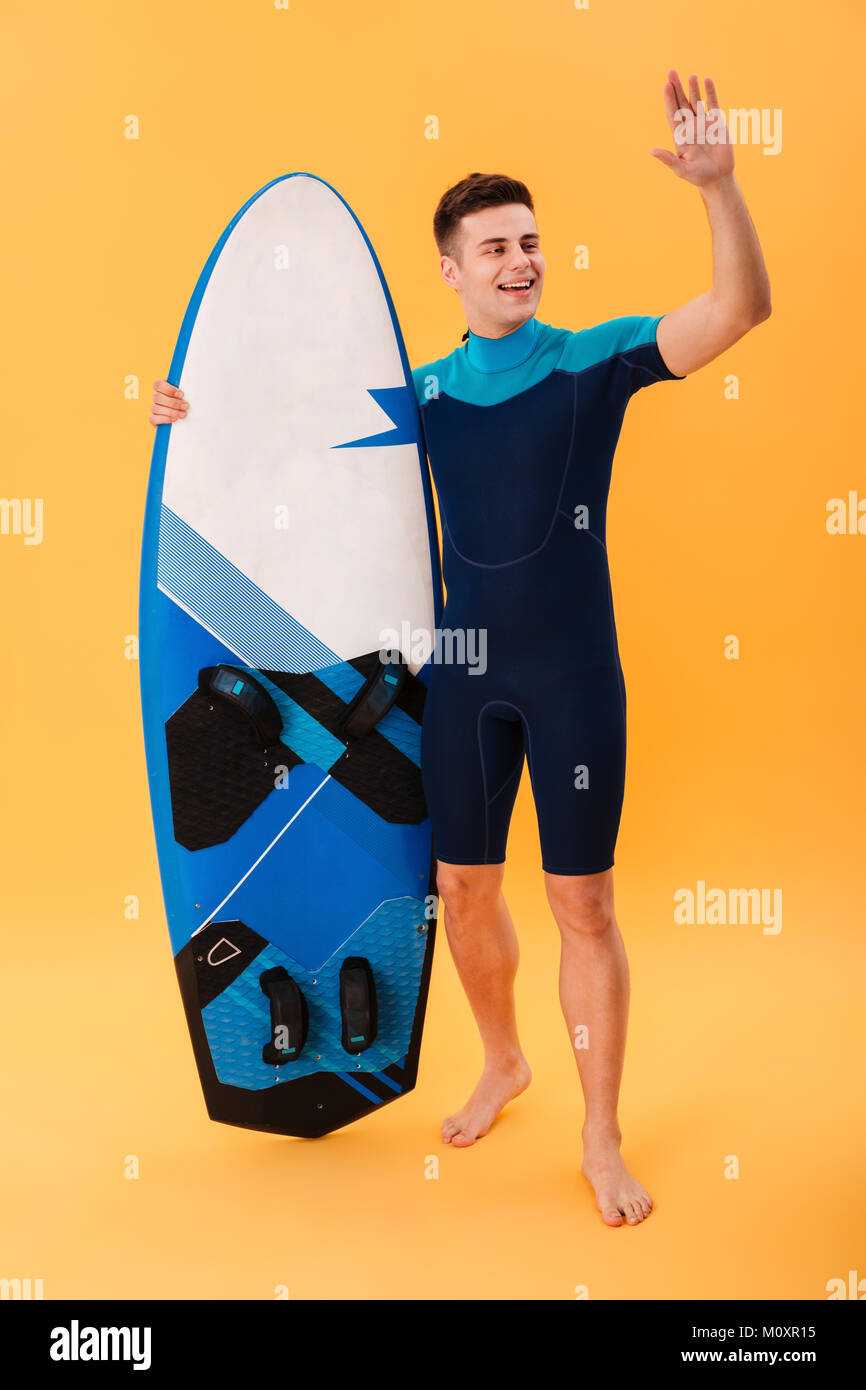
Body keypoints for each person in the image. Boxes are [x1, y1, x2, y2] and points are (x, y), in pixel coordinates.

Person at [151, 71, 771, 1227]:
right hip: (467, 675)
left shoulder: (593, 361)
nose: (518, 262)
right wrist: (190, 418)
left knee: (581, 905)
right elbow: (297, 454)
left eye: (529, 243)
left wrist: (719, 189)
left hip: (574, 673)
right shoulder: (419, 393)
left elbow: (736, 310)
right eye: (493, 249)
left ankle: (599, 1131)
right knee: (459, 889)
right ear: (449, 271)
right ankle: (502, 1058)